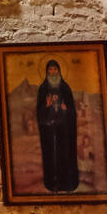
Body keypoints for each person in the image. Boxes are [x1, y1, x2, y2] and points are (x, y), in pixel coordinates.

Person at [36, 59, 79, 192]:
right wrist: (47, 106)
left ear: (59, 71)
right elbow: (39, 111)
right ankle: (52, 184)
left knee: (65, 155)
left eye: (55, 69)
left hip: (64, 130)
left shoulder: (65, 88)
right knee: (51, 157)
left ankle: (68, 184)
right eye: (50, 69)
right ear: (47, 72)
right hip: (49, 131)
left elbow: (72, 111)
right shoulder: (43, 89)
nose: (53, 72)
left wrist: (66, 109)